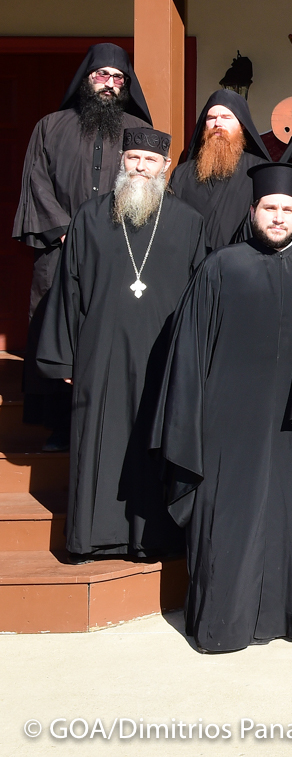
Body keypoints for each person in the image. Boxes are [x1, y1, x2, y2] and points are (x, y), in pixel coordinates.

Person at [153, 161, 292, 653]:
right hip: (228, 421)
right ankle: (224, 624)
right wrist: (191, 420)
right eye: (270, 208)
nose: (278, 217)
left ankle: (289, 617)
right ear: (253, 211)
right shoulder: (220, 265)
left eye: (287, 209)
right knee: (228, 521)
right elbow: (189, 349)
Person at [35, 127, 203, 562]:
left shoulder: (188, 221)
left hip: (163, 355)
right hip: (100, 353)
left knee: (153, 442)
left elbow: (201, 298)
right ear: (120, 164)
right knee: (99, 441)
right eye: (132, 159)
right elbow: (68, 290)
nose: (140, 167)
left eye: (149, 161)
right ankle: (92, 537)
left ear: (165, 168)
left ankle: (153, 540)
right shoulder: (90, 217)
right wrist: (65, 355)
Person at [12, 43, 152, 448]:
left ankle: (105, 419)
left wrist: (108, 234)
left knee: (104, 328)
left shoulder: (134, 130)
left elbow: (144, 187)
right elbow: (36, 182)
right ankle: (56, 423)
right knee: (54, 327)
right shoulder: (50, 126)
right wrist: (64, 230)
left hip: (115, 250)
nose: (109, 84)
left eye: (118, 78)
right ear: (86, 79)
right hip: (58, 250)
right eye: (101, 75)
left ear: (126, 86)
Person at [170, 89, 272, 251]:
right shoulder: (182, 174)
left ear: (242, 126)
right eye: (211, 118)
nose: (218, 123)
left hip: (240, 264)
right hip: (190, 263)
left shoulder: (260, 172)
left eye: (226, 117)